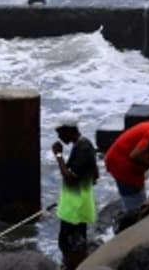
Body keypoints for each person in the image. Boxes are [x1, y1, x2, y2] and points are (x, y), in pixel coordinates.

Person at [51, 115, 98, 270]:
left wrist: (58, 155)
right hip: (78, 203)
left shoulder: (83, 149)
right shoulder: (85, 145)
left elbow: (70, 178)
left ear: (69, 130)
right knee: (73, 240)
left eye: (60, 132)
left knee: (70, 243)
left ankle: (75, 266)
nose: (59, 136)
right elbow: (95, 174)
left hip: (75, 207)